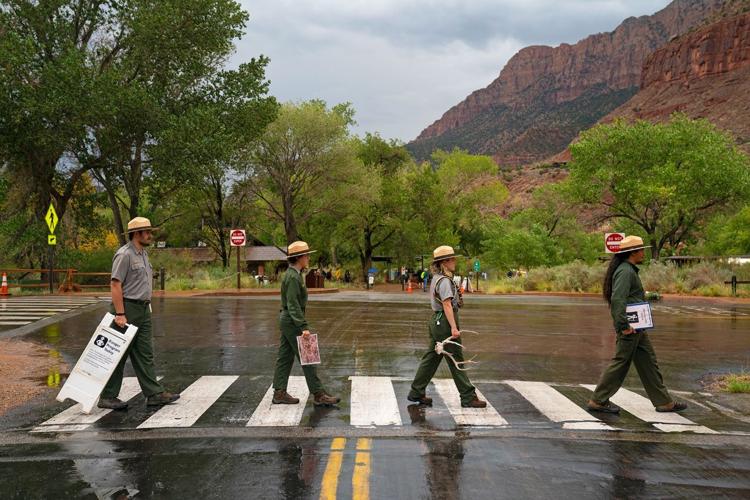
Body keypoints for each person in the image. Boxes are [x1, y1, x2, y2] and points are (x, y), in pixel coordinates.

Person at [587, 235, 687, 414]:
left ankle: (664, 402)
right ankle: (598, 400)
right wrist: (623, 325)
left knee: (648, 361)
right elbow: (618, 299)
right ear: (633, 252)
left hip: (637, 326)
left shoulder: (628, 269)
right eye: (641, 250)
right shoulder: (625, 271)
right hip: (630, 327)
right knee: (621, 362)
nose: (643, 253)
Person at [98, 217, 180, 410]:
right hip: (127, 308)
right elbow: (115, 284)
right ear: (137, 233)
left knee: (145, 353)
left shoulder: (143, 254)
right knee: (118, 353)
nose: (150, 235)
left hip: (143, 309)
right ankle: (107, 396)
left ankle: (154, 393)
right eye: (147, 232)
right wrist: (120, 313)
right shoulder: (124, 255)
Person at [408, 245, 486, 408]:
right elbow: (447, 305)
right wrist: (453, 327)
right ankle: (468, 396)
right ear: (444, 262)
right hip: (444, 321)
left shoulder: (437, 278)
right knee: (455, 357)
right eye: (452, 259)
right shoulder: (444, 281)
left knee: (431, 357)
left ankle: (417, 392)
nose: (455, 261)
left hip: (436, 321)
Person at [271, 241, 340, 406]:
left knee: (285, 357)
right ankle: (318, 394)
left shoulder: (294, 274)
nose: (309, 257)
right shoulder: (293, 277)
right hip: (292, 320)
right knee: (308, 357)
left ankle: (279, 392)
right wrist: (303, 327)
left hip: (288, 320)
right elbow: (293, 304)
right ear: (299, 257)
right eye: (307, 255)